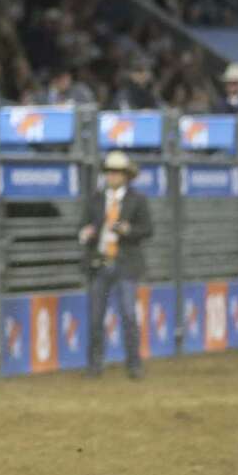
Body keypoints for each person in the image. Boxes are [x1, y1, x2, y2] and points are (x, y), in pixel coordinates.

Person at [78, 151, 152, 380]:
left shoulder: (137, 200)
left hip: (125, 264)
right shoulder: (95, 199)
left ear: (125, 176)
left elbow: (147, 229)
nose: (112, 176)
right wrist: (86, 233)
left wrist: (129, 230)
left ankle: (134, 364)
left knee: (129, 315)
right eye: (109, 172)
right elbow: (82, 227)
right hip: (99, 262)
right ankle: (94, 365)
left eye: (116, 172)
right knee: (95, 317)